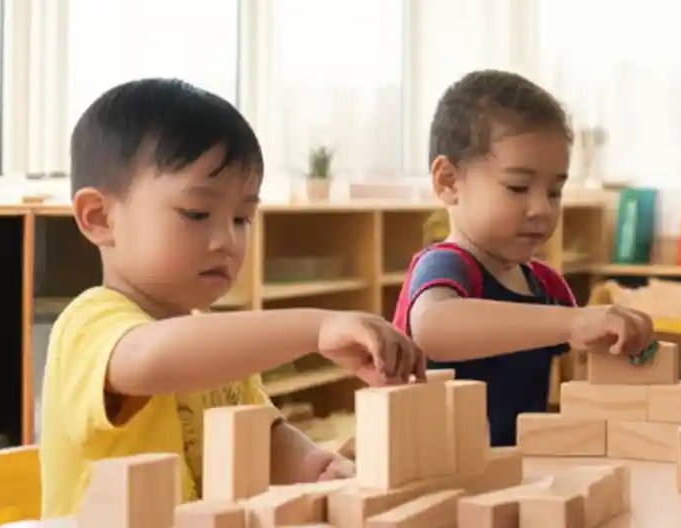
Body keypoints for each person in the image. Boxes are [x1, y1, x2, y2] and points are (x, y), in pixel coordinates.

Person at [40, 78, 424, 517]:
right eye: (197, 213)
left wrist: (320, 467)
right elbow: (150, 358)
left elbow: (263, 437)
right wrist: (317, 328)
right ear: (99, 217)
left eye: (242, 217)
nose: (227, 239)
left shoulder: (214, 345)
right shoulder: (89, 323)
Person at [393, 69, 655, 446]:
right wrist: (571, 322)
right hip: (429, 470)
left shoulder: (545, 286)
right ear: (448, 181)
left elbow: (587, 373)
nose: (542, 209)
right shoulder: (447, 266)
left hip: (513, 474)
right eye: (517, 187)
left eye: (554, 191)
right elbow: (434, 327)